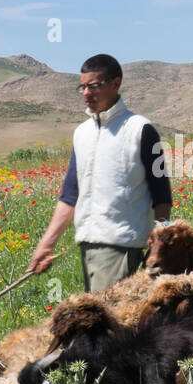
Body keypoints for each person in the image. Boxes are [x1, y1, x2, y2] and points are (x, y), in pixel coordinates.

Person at [27, 54, 173, 292]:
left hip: (120, 244)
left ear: (115, 84)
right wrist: (46, 244)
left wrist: (159, 246)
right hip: (87, 243)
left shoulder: (141, 130)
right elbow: (70, 195)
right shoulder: (81, 133)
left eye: (93, 86)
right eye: (82, 87)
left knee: (107, 323)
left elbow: (161, 193)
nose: (86, 93)